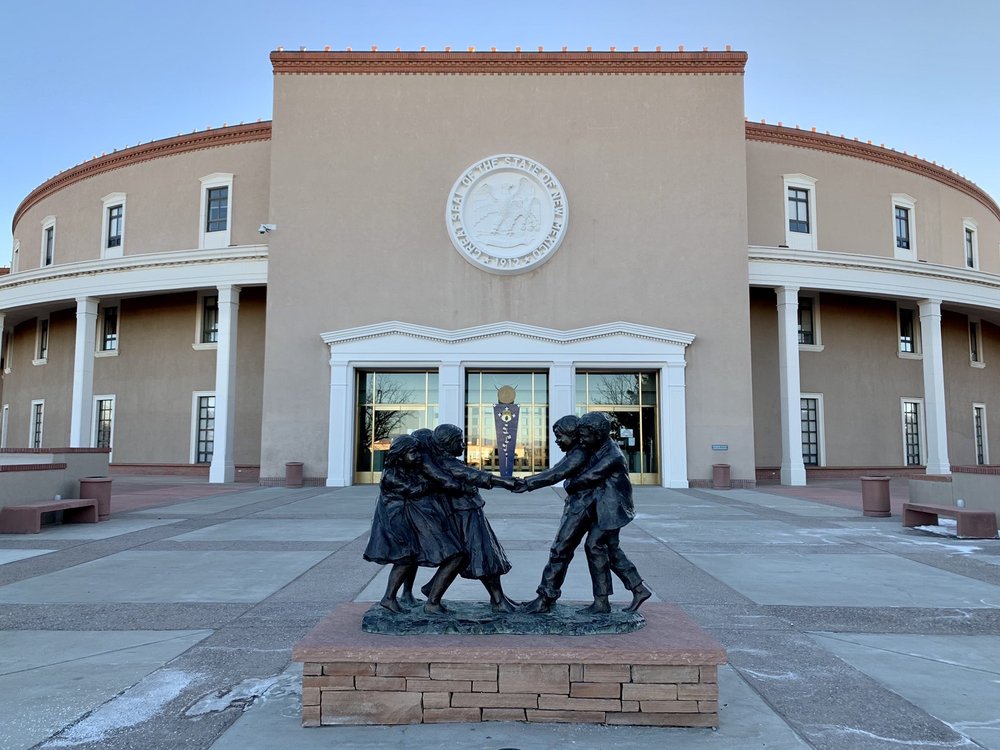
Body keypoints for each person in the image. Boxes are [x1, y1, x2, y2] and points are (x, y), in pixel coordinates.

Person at [520, 412, 651, 614]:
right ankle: (628, 592)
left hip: (609, 510)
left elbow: (584, 477)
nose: (582, 441)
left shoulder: (610, 455)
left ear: (597, 434)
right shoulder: (591, 446)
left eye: (585, 436)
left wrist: (564, 483)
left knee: (586, 547)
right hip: (598, 507)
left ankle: (603, 600)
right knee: (604, 550)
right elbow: (562, 470)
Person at [417, 424, 521, 612]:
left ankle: (498, 599)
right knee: (482, 554)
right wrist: (503, 481)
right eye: (459, 441)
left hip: (468, 511)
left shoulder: (444, 461)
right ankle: (496, 601)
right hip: (463, 515)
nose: (463, 445)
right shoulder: (447, 463)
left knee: (482, 555)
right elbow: (474, 475)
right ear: (447, 444)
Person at [362, 434, 468, 614]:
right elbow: (415, 489)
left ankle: (406, 595)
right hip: (399, 523)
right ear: (400, 454)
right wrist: (437, 480)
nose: (418, 456)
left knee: (411, 557)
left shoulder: (407, 468)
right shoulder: (392, 475)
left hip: (408, 520)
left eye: (418, 452)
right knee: (407, 558)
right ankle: (391, 598)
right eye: (412, 452)